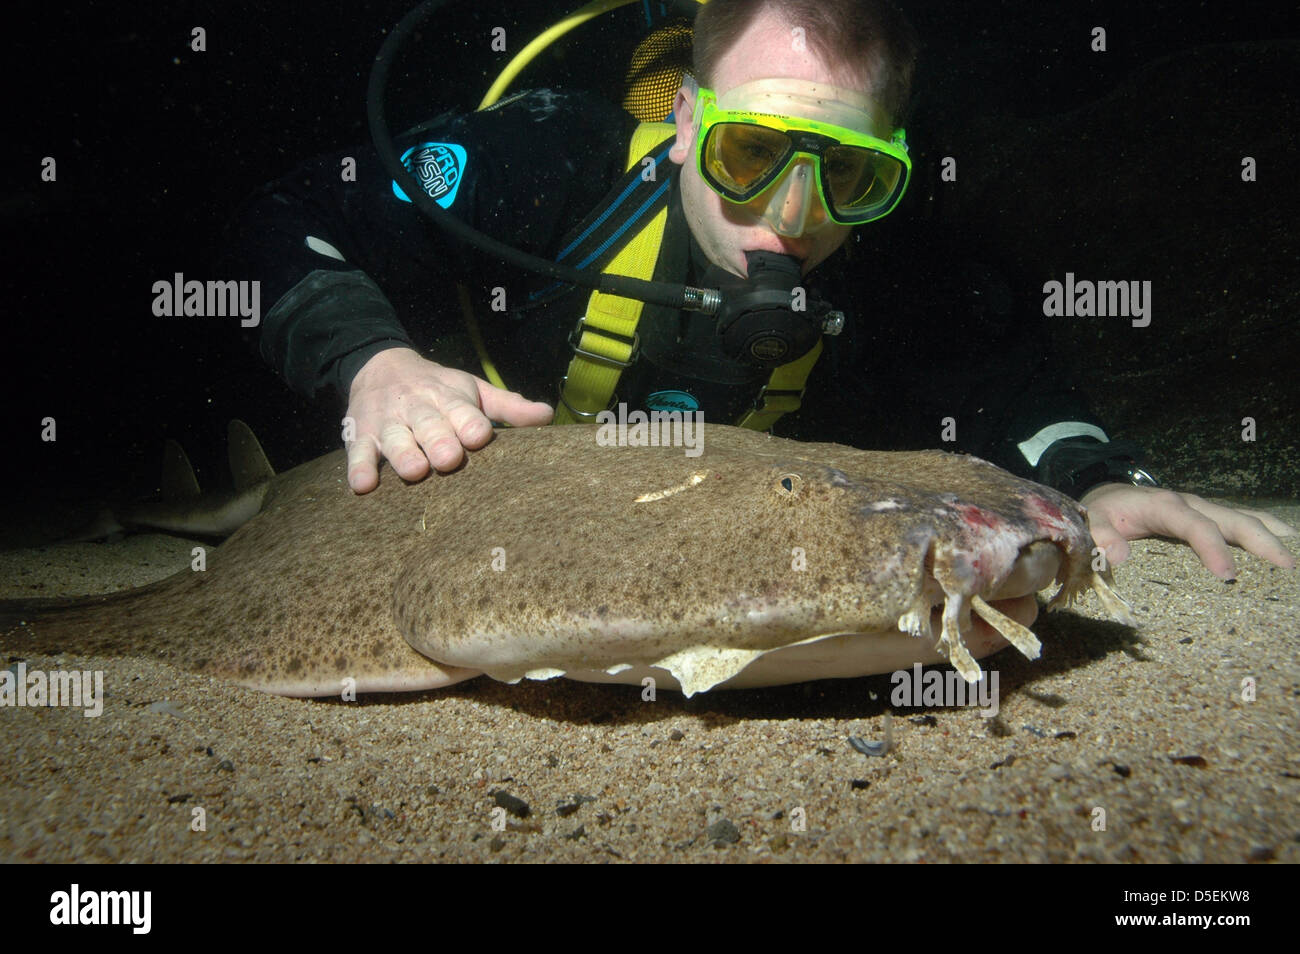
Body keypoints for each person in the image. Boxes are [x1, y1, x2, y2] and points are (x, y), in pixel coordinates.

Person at [222, 0, 1292, 580]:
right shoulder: (550, 163)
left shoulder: (899, 267)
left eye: (851, 172)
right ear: (686, 122)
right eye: (748, 153)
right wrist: (371, 358)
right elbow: (274, 218)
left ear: (894, 169)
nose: (793, 213)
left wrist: (1102, 480)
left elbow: (1016, 386)